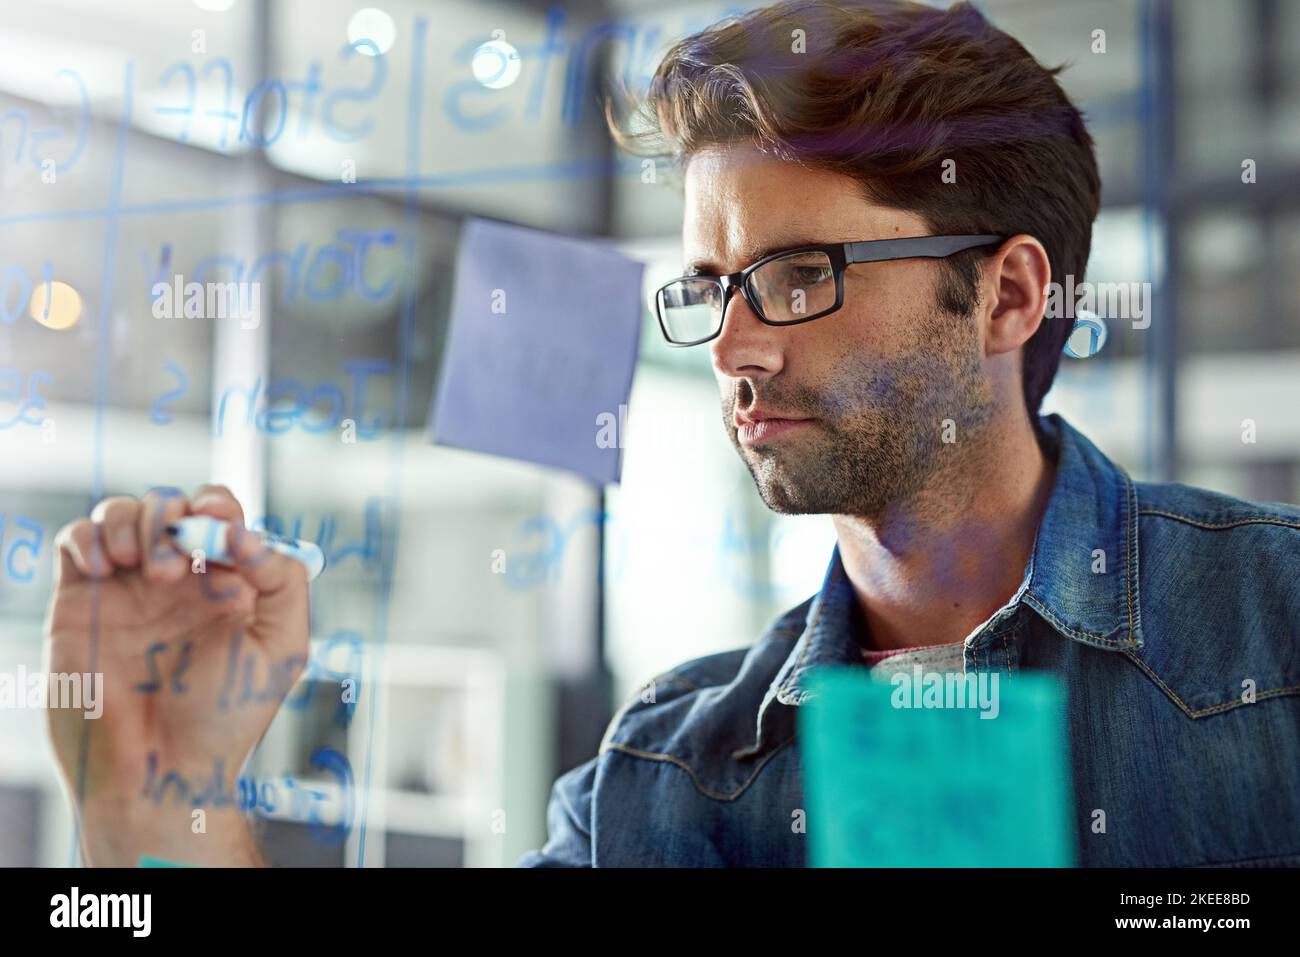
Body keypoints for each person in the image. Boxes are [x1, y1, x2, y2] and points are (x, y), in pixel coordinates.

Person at [46, 0, 1300, 868]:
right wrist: (162, 794)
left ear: (1009, 297)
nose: (737, 347)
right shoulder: (667, 777)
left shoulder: (1276, 628)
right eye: (713, 286)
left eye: (799, 272)